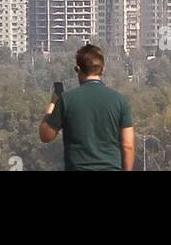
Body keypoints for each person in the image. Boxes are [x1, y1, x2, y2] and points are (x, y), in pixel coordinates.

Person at [38, 44, 135, 172]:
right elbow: (128, 145)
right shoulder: (120, 101)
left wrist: (53, 103)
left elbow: (46, 135)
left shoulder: (66, 100)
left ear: (78, 69)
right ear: (103, 69)